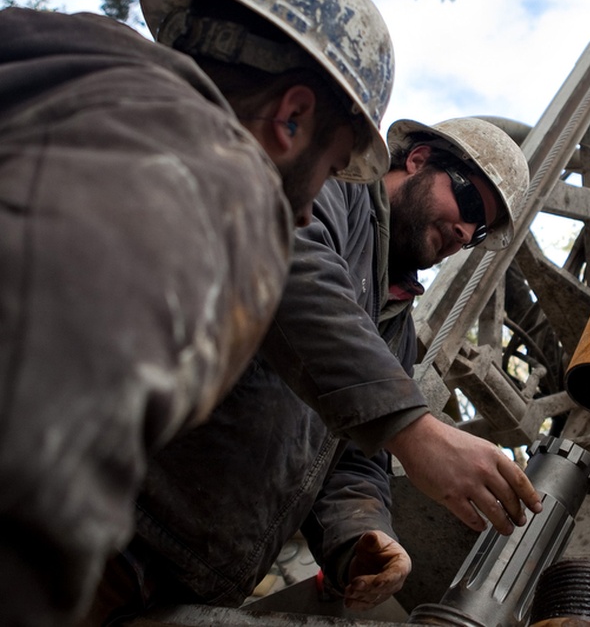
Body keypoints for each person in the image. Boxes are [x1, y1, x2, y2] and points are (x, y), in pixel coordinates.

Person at [0, 0, 397, 627]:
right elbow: (36, 434)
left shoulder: (52, 70)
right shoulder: (219, 173)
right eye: (329, 171)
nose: (305, 215)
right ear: (292, 117)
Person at [88, 117, 539, 620]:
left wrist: (362, 535)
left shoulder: (396, 329)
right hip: (108, 517)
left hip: (195, 580)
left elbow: (352, 455)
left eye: (477, 231)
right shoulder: (333, 187)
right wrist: (414, 429)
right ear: (418, 160)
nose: (463, 231)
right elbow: (292, 269)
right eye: (470, 204)